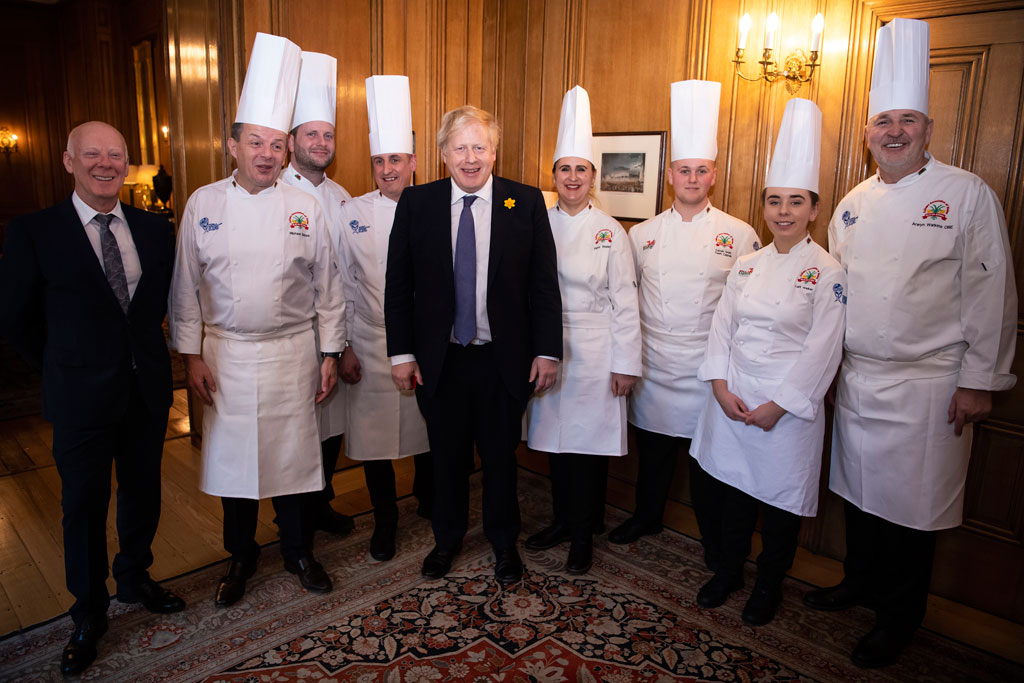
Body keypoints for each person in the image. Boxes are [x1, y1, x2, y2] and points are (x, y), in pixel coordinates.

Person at [803, 19, 1017, 668]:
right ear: (868, 133)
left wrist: (980, 378)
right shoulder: (851, 204)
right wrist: (826, 368)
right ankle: (860, 583)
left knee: (913, 512)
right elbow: (832, 295)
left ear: (927, 129)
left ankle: (900, 616)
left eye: (907, 120)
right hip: (860, 377)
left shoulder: (965, 195)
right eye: (883, 121)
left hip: (930, 383)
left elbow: (992, 290)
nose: (894, 131)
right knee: (861, 496)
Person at [0, 121, 184, 676]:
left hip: (145, 388)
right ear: (69, 161)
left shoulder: (155, 230)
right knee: (81, 505)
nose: (105, 164)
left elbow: (154, 306)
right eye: (93, 155)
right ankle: (89, 610)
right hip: (78, 395)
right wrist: (61, 366)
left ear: (126, 164)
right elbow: (15, 319)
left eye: (115, 155)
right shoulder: (35, 231)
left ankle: (135, 575)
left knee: (142, 490)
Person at [169, 33, 346, 607]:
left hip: (294, 351)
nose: (267, 154)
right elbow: (185, 288)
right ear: (233, 145)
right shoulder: (203, 204)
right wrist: (191, 356)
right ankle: (240, 556)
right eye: (256, 143)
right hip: (227, 356)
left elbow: (328, 287)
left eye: (276, 144)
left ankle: (298, 551)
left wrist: (328, 354)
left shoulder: (305, 207)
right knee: (235, 467)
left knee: (296, 462)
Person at [385, 105, 562, 585]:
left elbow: (544, 286)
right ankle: (447, 541)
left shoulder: (523, 203)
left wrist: (548, 350)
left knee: (502, 458)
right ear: (443, 154)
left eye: (479, 147)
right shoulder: (417, 204)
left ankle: (505, 544)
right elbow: (398, 285)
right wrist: (401, 354)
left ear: (494, 151)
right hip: (440, 362)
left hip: (502, 361)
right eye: (460, 148)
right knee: (446, 459)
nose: (470, 158)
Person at [689, 99, 846, 626]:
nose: (783, 211)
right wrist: (718, 385)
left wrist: (780, 405)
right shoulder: (747, 264)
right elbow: (721, 327)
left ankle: (768, 587)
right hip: (733, 401)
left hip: (786, 413)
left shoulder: (828, 272)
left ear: (814, 210)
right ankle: (728, 570)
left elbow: (823, 349)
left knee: (779, 511)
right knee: (731, 498)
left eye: (795, 202)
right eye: (774, 201)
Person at [614, 80, 759, 554]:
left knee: (707, 465)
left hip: (707, 371)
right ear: (671, 175)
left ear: (713, 175)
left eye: (701, 170)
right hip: (656, 366)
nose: (692, 178)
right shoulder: (643, 234)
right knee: (653, 455)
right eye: (684, 170)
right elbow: (626, 299)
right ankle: (646, 518)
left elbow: (748, 311)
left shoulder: (739, 234)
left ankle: (714, 540)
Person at [525, 86, 641, 574]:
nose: (572, 178)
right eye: (564, 169)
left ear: (592, 176)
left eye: (581, 170)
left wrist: (626, 364)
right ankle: (560, 520)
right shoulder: (535, 222)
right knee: (554, 443)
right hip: (546, 347)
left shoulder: (610, 230)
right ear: (553, 175)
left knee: (588, 450)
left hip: (596, 349)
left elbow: (626, 302)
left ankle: (582, 533)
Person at [335, 75, 433, 562]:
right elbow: (342, 283)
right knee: (374, 443)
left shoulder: (437, 207)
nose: (388, 168)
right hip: (370, 343)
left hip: (426, 342)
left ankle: (430, 501)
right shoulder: (350, 212)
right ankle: (385, 521)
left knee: (430, 432)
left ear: (413, 163)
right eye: (379, 160)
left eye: (396, 159)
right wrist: (345, 346)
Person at [279, 50, 355, 538]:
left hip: (336, 331)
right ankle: (294, 520)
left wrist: (344, 341)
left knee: (332, 427)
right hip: (290, 335)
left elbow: (347, 271)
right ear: (291, 143)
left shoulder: (343, 195)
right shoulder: (276, 193)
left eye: (328, 135)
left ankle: (321, 502)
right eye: (312, 134)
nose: (321, 142)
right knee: (298, 431)